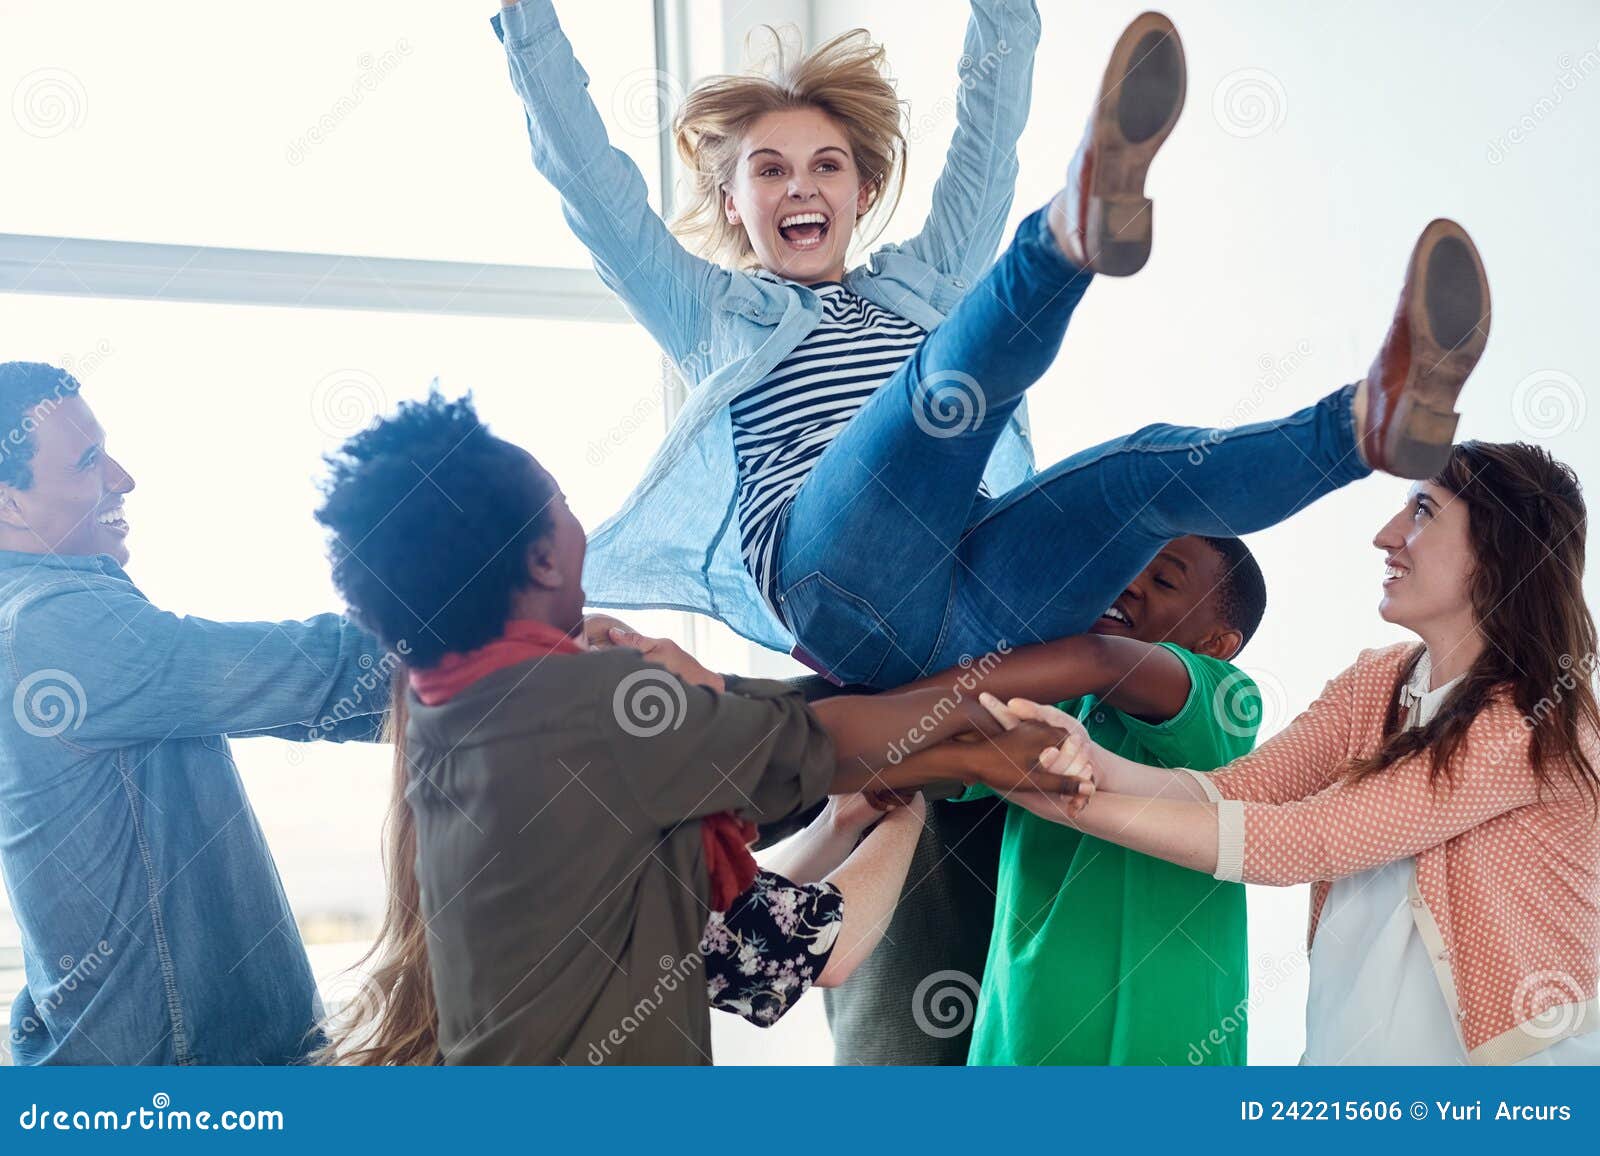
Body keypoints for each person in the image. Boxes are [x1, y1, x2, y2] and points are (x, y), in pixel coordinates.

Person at [489, 0, 1491, 694]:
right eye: (770, 169)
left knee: (1140, 474)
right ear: (730, 201)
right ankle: (1069, 237)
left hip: (973, 613)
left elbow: (985, 129)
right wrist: (525, 22)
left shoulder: (916, 289)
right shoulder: (710, 313)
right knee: (939, 395)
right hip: (832, 579)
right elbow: (591, 181)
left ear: (860, 191)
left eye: (826, 165)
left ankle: (1367, 421)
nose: (802, 185)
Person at [310, 391, 1076, 1065]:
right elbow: (813, 742)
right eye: (565, 501)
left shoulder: (447, 721)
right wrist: (1019, 712)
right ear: (544, 560)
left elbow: (764, 745)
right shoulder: (597, 711)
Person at [997, 442, 1600, 1065]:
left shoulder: (1539, 718)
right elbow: (1238, 789)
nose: (1385, 535)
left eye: (1422, 510)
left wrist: (1067, 804)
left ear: (1500, 548)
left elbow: (1308, 839)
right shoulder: (1380, 681)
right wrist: (1087, 759)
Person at [0, 361, 392, 1065]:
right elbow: (307, 674)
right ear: (7, 504)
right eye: (89, 462)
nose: (122, 477)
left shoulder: (40, 612)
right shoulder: (49, 624)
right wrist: (503, 633)